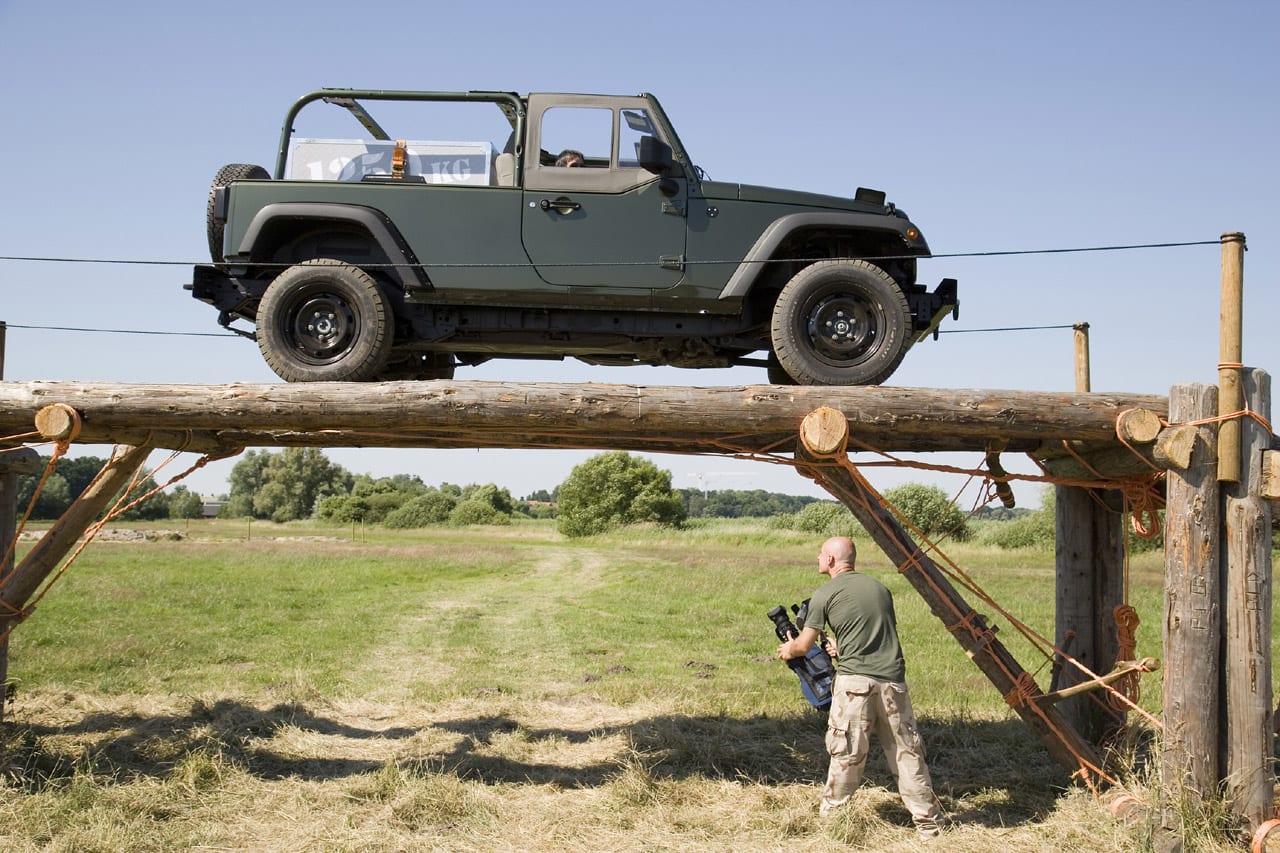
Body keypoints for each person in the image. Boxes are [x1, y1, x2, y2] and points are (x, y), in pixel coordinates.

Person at [778, 536, 949, 841]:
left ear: (831, 560)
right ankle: (930, 826)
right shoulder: (879, 589)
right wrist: (839, 649)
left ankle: (833, 824)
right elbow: (877, 635)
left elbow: (803, 646)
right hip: (893, 681)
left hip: (855, 684)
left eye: (820, 555)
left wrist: (788, 649)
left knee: (847, 753)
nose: (817, 559)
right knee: (907, 753)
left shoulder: (824, 593)